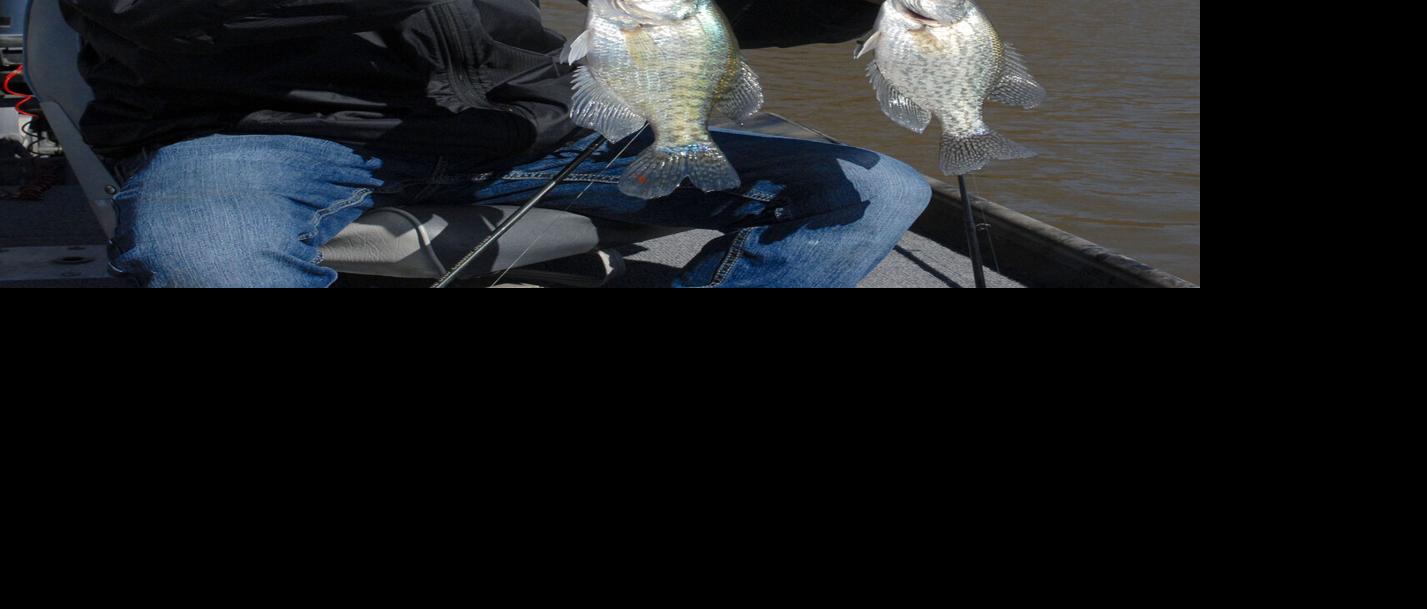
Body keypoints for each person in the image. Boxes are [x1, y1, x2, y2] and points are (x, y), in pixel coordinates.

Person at [61, 0, 932, 288]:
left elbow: (678, 13)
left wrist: (861, 5)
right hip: (259, 137)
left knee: (879, 188)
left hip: (529, 131)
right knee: (205, 256)